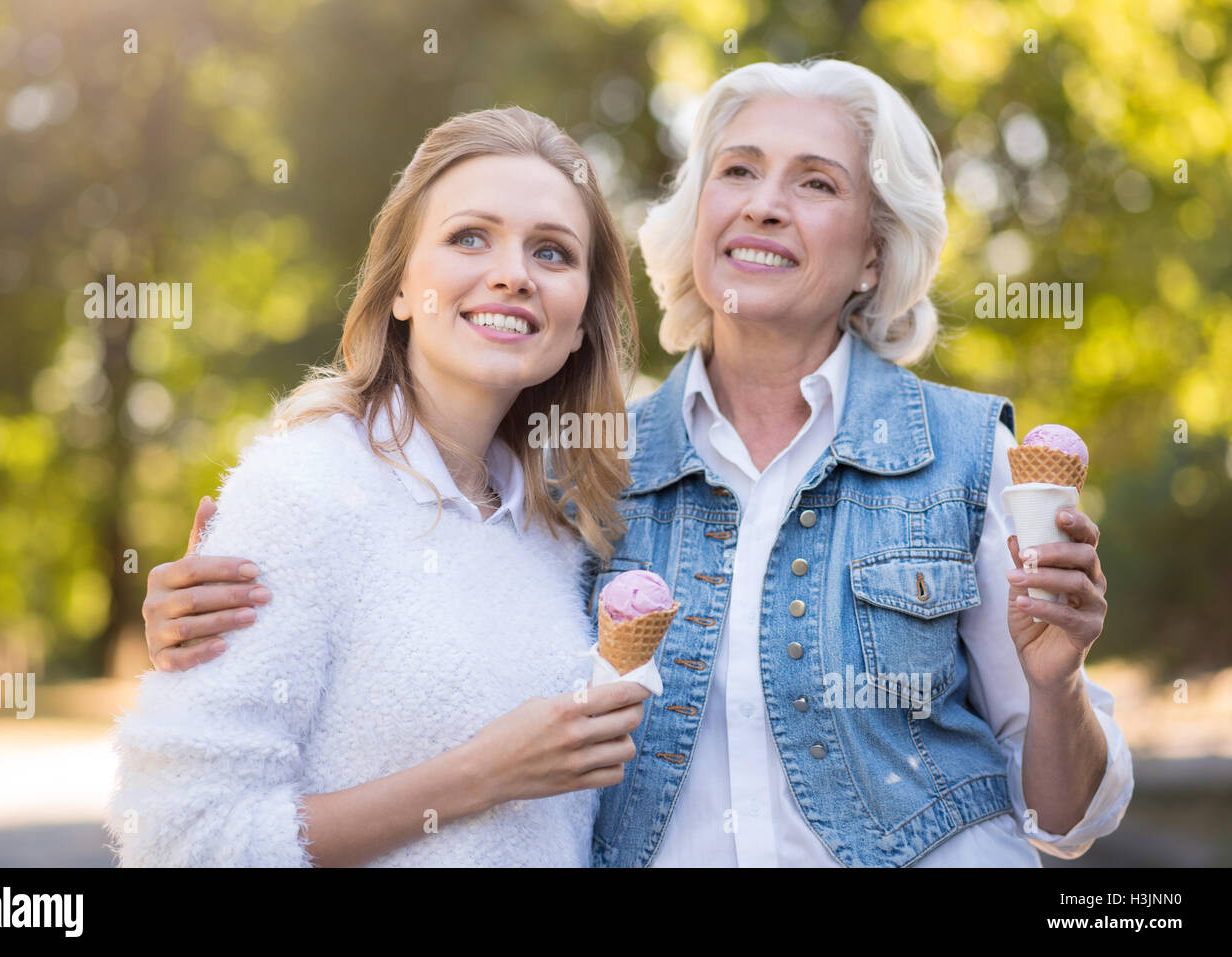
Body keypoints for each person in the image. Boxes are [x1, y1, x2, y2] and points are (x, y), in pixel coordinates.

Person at [142, 58, 1134, 868]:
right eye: (736, 172)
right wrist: (216, 611)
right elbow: (400, 595)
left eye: (817, 183)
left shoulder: (966, 460)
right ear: (698, 216)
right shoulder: (588, 477)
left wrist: (1057, 689)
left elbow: (1066, 825)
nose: (765, 206)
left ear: (874, 255)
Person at [107, 106, 651, 867]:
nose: (512, 273)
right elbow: (182, 837)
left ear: (580, 324)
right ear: (400, 286)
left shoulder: (559, 531)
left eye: (552, 252)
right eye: (470, 236)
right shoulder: (301, 490)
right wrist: (478, 775)